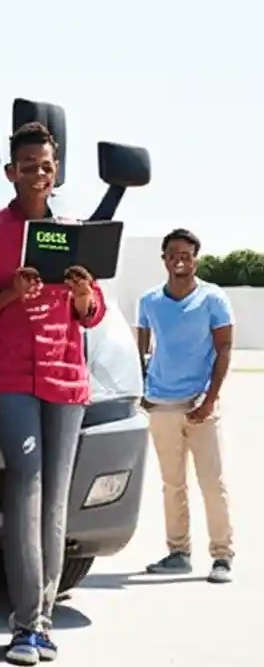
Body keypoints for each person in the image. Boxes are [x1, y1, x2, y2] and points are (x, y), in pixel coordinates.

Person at [0, 122, 105, 666]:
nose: (39, 174)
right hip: (10, 377)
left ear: (55, 169)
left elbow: (92, 316)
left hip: (66, 378)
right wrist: (9, 294)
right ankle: (26, 623)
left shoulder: (73, 231)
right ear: (10, 172)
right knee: (26, 486)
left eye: (47, 165)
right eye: (29, 165)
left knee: (56, 500)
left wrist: (85, 295)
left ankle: (44, 622)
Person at [137, 228, 235, 584]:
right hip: (162, 405)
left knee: (212, 482)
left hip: (201, 404)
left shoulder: (213, 299)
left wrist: (209, 400)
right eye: (172, 253)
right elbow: (142, 350)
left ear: (196, 259)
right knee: (172, 483)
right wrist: (144, 391)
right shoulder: (149, 300)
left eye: (186, 254)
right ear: (164, 258)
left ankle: (222, 555)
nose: (179, 259)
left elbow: (224, 349)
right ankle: (178, 552)